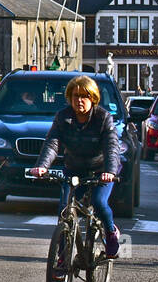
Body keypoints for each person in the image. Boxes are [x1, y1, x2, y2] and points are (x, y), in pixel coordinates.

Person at [31, 75, 123, 261]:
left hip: (100, 171)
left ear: (93, 98)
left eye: (84, 96)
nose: (79, 100)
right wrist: (41, 166)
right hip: (73, 170)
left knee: (98, 202)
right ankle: (62, 258)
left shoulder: (103, 118)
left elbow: (111, 146)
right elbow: (52, 143)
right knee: (65, 210)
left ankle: (111, 231)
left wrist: (110, 171)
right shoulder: (63, 117)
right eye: (75, 96)